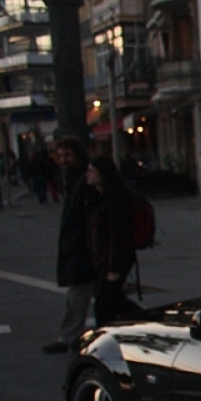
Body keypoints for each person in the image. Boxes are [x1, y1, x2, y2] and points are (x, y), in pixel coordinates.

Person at [43, 138, 96, 353]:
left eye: (68, 155)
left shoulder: (85, 180)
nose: (63, 160)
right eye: (61, 156)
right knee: (83, 295)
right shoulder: (71, 179)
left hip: (85, 249)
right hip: (78, 247)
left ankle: (69, 337)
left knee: (78, 295)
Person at [85, 156, 140, 327]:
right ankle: (147, 321)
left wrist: (114, 267)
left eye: (92, 170)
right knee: (114, 302)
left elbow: (118, 235)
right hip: (104, 259)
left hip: (113, 260)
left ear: (102, 175)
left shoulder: (113, 200)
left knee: (104, 305)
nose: (87, 174)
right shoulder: (99, 198)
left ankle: (107, 339)